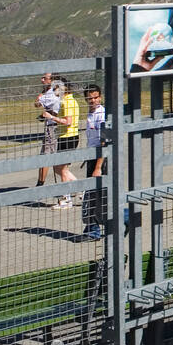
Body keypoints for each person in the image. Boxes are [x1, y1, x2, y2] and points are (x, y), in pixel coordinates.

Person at [48, 79, 81, 209]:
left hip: (69, 137)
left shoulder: (68, 102)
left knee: (62, 170)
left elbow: (68, 122)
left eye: (56, 88)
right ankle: (81, 189)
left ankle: (66, 199)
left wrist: (52, 118)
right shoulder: (65, 101)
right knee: (58, 168)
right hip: (64, 137)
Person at [80, 85, 107, 239]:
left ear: (100, 97)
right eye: (90, 98)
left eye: (96, 97)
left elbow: (104, 141)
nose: (93, 100)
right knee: (92, 195)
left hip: (100, 158)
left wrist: (98, 167)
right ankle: (92, 228)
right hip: (91, 156)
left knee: (98, 195)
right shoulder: (90, 113)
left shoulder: (101, 114)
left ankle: (124, 218)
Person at [34, 72, 59, 187]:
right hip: (52, 125)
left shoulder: (51, 94)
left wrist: (39, 97)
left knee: (46, 154)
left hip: (52, 126)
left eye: (45, 78)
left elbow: (37, 103)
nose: (42, 80)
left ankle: (40, 184)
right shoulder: (57, 91)